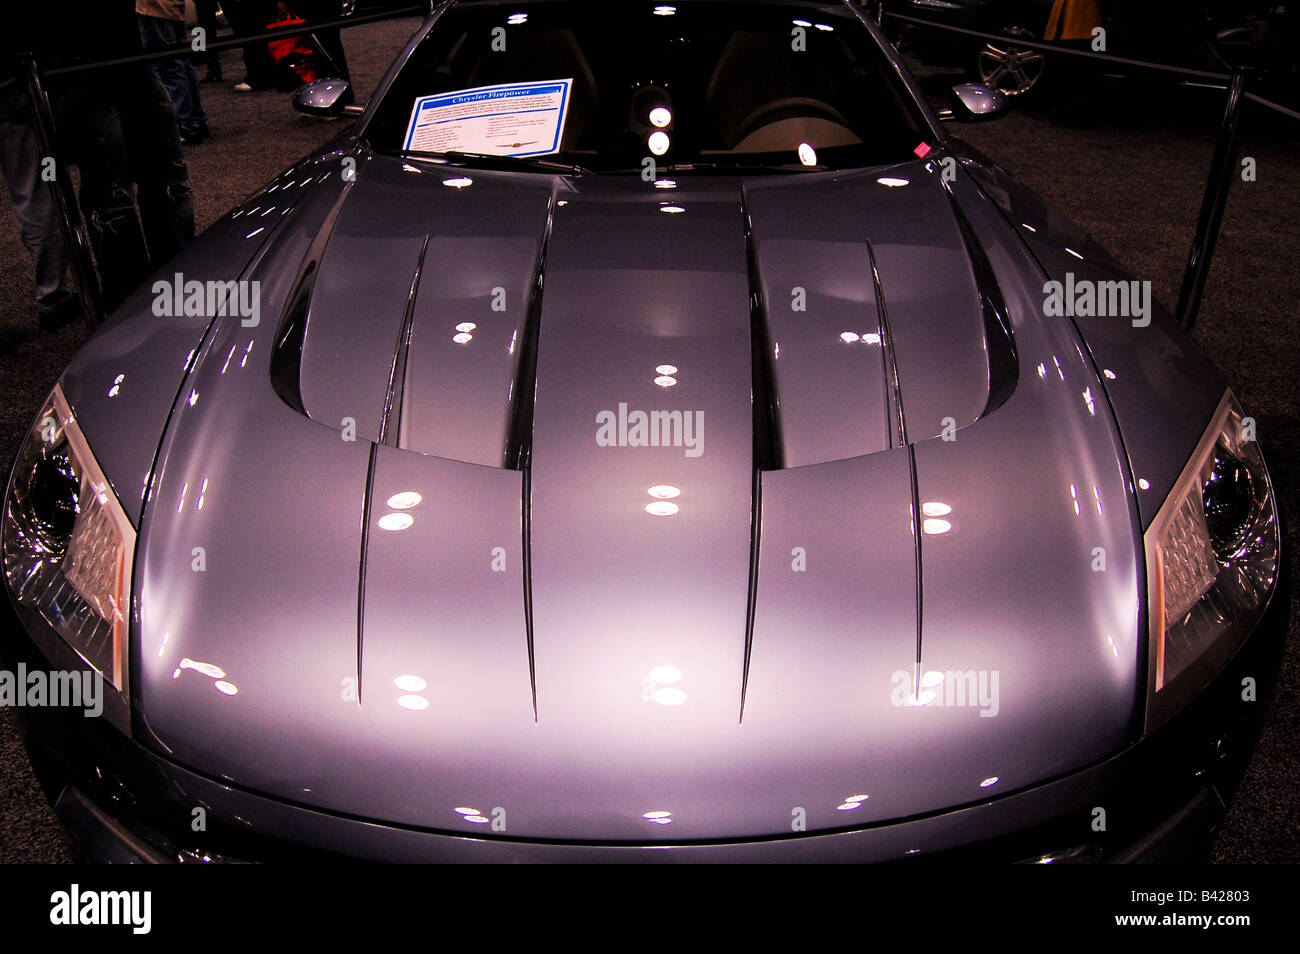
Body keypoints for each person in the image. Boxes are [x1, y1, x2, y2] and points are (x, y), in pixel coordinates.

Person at [0, 77, 79, 330]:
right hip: (10, 85)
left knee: (32, 188)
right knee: (35, 191)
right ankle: (53, 295)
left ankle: (54, 296)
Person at [137, 0, 211, 144]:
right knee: (182, 63)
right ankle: (197, 119)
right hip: (172, 9)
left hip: (155, 9)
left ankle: (187, 125)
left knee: (169, 66)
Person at [193, 0, 224, 83]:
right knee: (207, 33)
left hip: (204, 6)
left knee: (206, 33)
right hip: (207, 6)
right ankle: (214, 70)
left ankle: (213, 70)